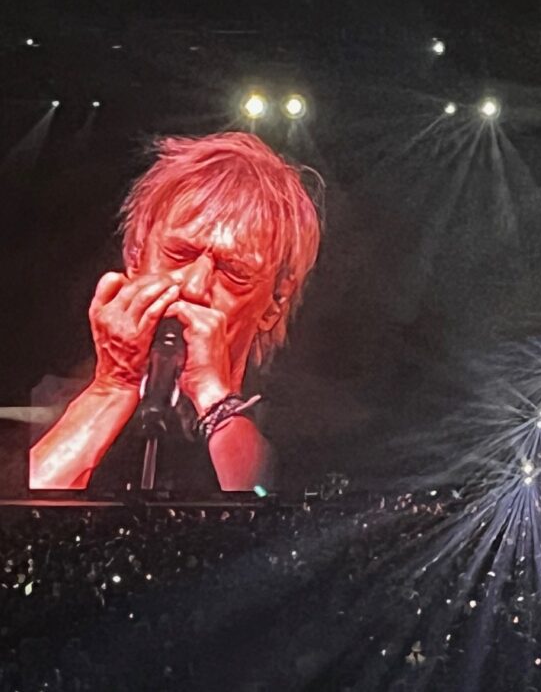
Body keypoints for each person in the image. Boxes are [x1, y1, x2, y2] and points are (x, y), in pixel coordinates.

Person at [30, 133, 322, 493]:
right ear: (136, 258)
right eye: (178, 255)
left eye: (234, 272)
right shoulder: (51, 406)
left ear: (275, 302)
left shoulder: (306, 431)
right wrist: (113, 385)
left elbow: (271, 523)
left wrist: (216, 400)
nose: (195, 287)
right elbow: (17, 524)